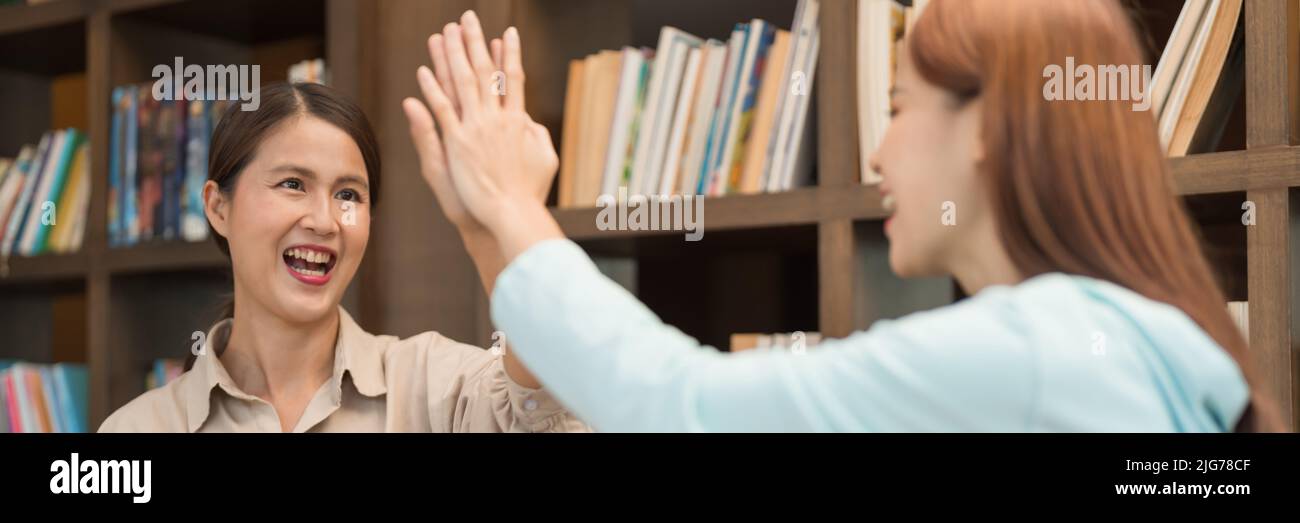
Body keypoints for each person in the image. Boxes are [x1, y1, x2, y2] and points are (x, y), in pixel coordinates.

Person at [400, 4, 1282, 432]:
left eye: (898, 108)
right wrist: (491, 223)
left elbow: (682, 404)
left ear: (990, 126)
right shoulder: (1155, 344)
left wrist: (514, 205)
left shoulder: (1033, 351)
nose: (876, 154)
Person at [100, 81, 586, 433]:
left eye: (349, 194)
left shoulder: (433, 385)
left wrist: (493, 223)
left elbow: (536, 407)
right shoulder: (139, 430)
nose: (325, 220)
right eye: (293, 184)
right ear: (217, 206)